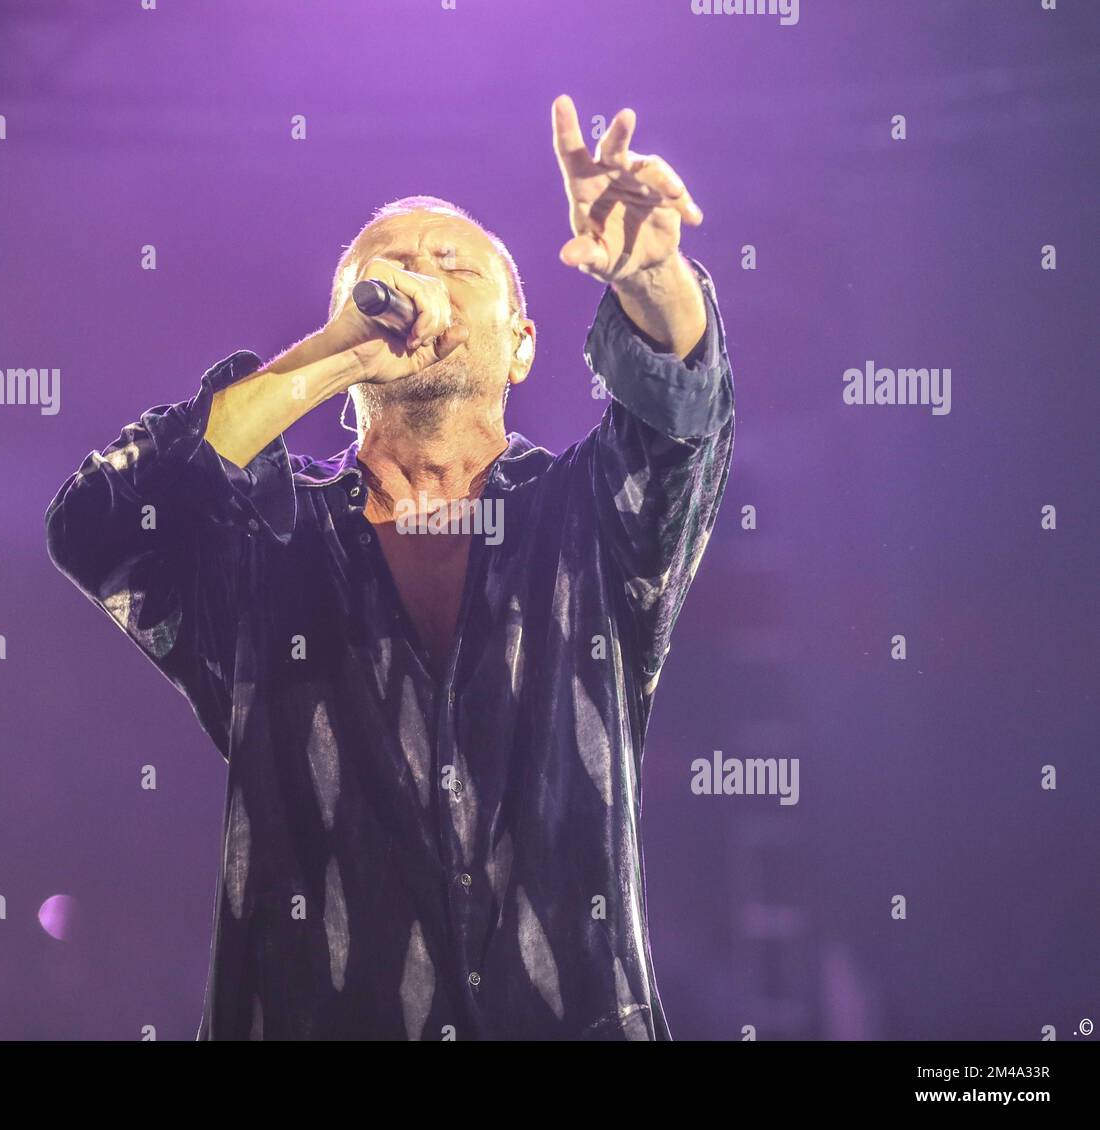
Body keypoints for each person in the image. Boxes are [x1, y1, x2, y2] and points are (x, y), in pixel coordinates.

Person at [44, 95, 735, 1040]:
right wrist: (337, 352)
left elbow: (681, 415)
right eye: (391, 265)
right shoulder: (261, 553)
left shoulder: (587, 524)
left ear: (524, 344)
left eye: (454, 262)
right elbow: (97, 528)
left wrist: (652, 275)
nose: (420, 273)